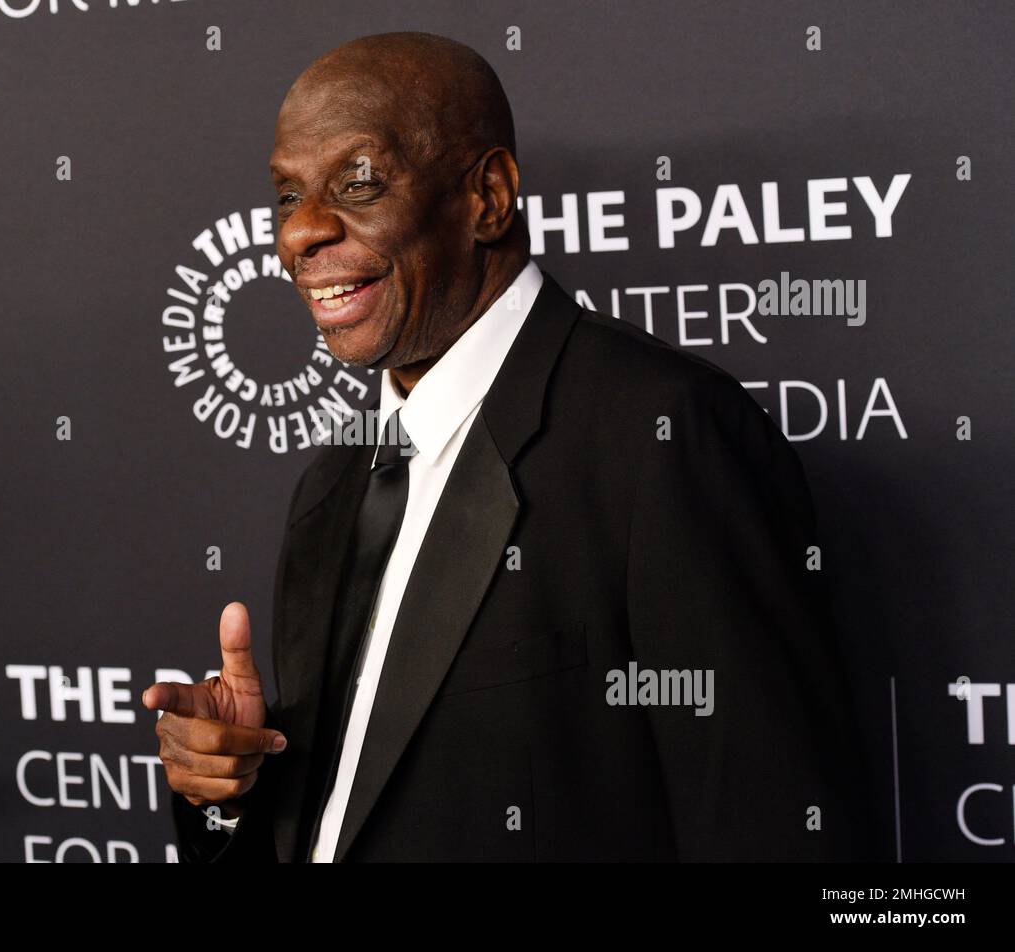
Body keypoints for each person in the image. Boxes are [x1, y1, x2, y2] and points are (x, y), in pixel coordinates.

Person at [142, 31, 871, 862]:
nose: (301, 231)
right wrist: (228, 793)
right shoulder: (334, 481)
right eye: (286, 196)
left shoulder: (663, 437)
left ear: (487, 196)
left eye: (359, 181)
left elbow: (774, 825)